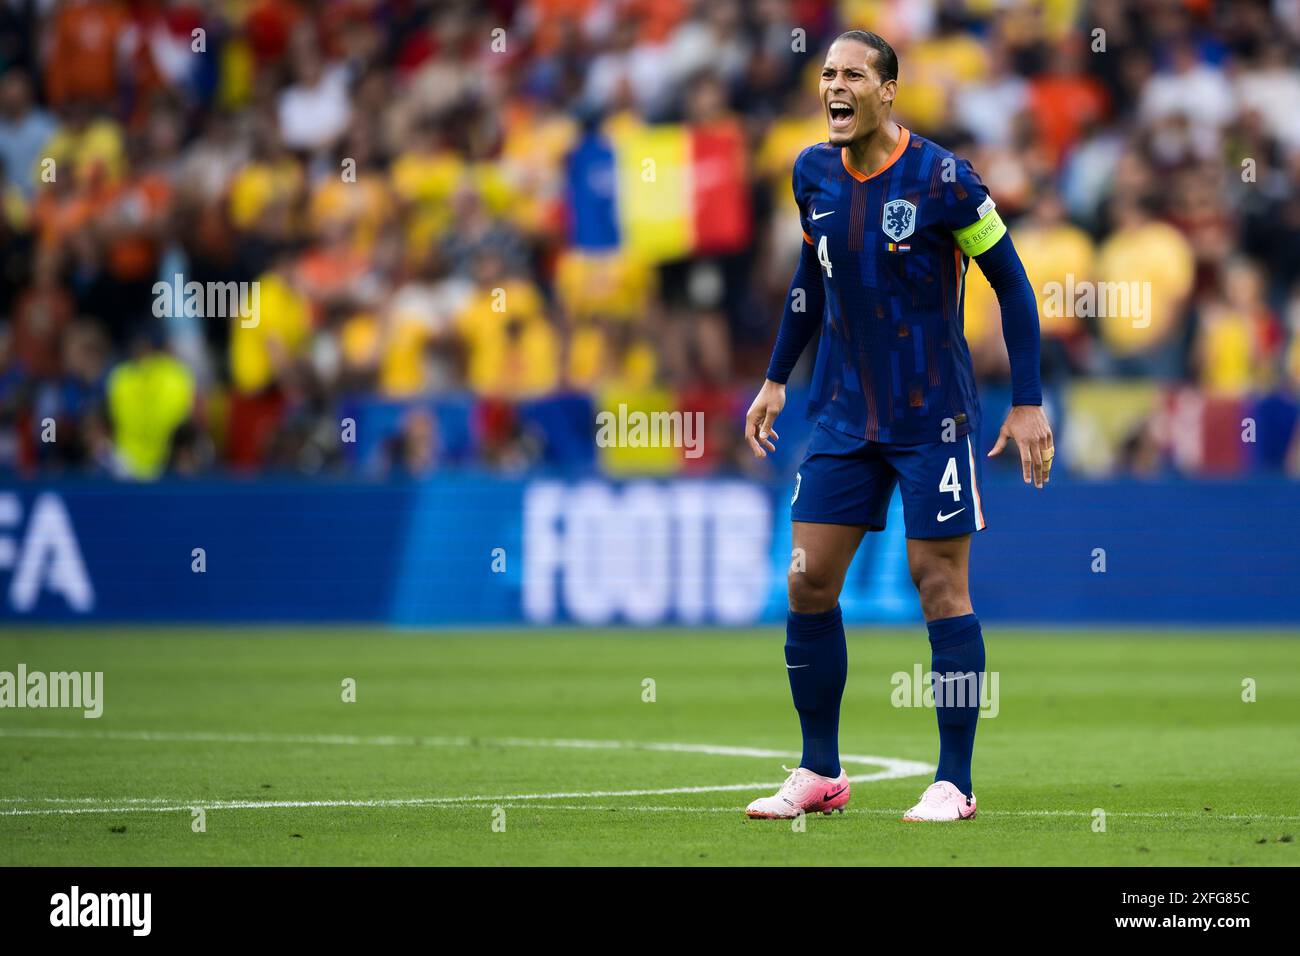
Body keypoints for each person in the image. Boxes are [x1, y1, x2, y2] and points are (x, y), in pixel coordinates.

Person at [743, 30, 1052, 823]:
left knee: (940, 586)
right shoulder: (810, 173)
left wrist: (1027, 400)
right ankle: (820, 772)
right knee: (808, 580)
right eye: (826, 74)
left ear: (888, 91)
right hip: (843, 415)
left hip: (932, 418)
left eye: (852, 74)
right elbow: (811, 281)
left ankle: (954, 779)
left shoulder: (946, 180)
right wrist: (777, 378)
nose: (834, 87)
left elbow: (1013, 289)